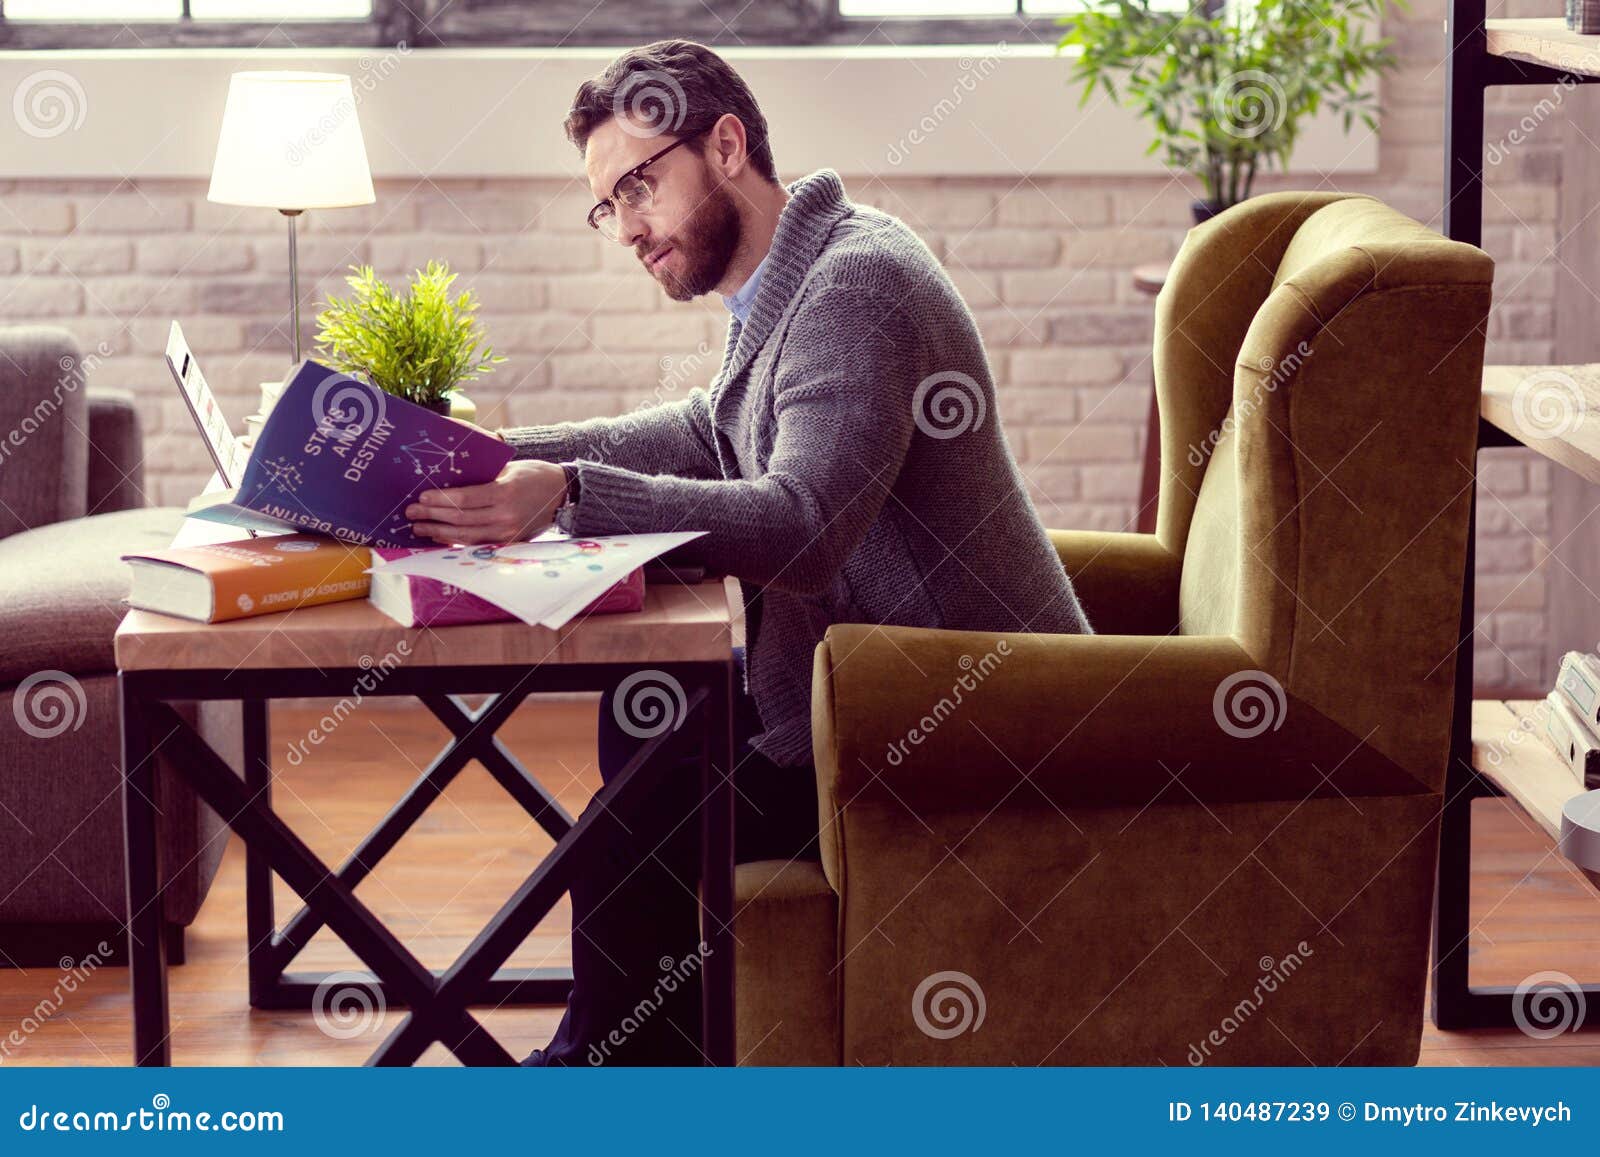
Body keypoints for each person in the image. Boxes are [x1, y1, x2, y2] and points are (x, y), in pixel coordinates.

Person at [402, 39, 1092, 1065]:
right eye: (609, 205)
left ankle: (597, 1078)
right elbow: (703, 430)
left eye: (639, 185)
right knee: (645, 700)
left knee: (635, 825)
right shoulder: (788, 284)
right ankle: (663, 1055)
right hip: (870, 692)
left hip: (968, 716)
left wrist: (573, 494)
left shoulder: (857, 287)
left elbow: (803, 525)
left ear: (726, 144)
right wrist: (484, 456)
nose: (627, 228)